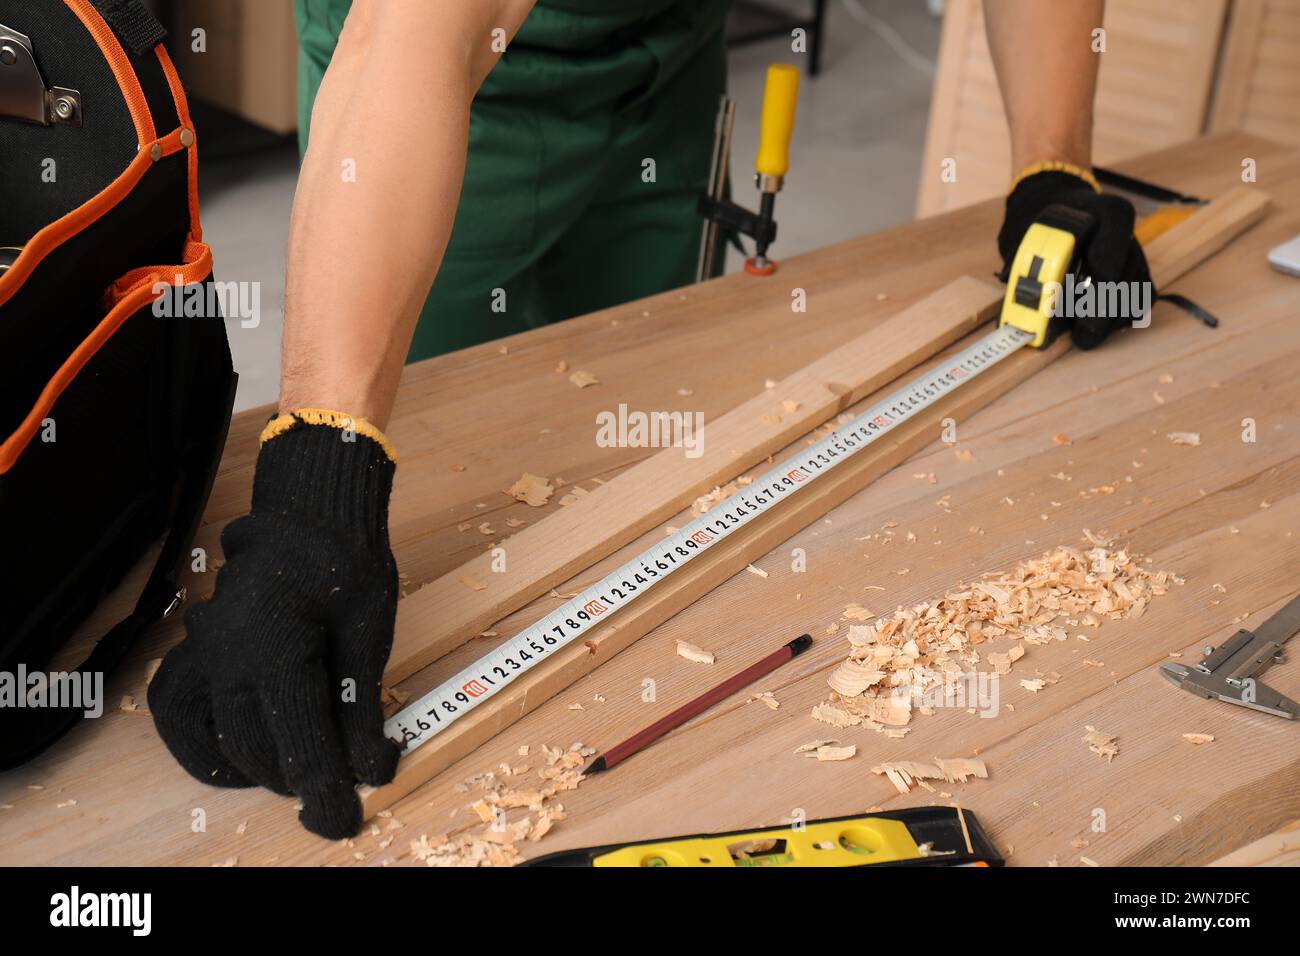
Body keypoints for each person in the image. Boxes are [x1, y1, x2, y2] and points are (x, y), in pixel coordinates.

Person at [149, 0, 1150, 838]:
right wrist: (318, 477)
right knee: (444, 446)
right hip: (450, 68)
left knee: (640, 416)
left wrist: (1050, 166)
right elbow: (422, 33)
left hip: (662, 64)